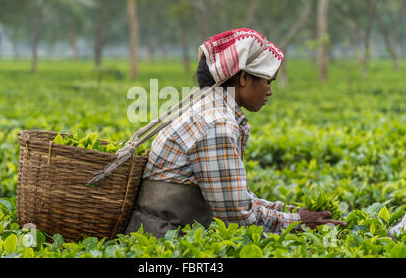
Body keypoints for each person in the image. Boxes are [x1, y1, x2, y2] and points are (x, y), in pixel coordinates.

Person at [125, 28, 346, 238]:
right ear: (243, 78)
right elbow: (236, 217)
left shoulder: (209, 109)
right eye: (267, 81)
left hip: (167, 231)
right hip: (165, 239)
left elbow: (235, 199)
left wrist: (290, 211)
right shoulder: (216, 124)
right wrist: (297, 222)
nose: (270, 91)